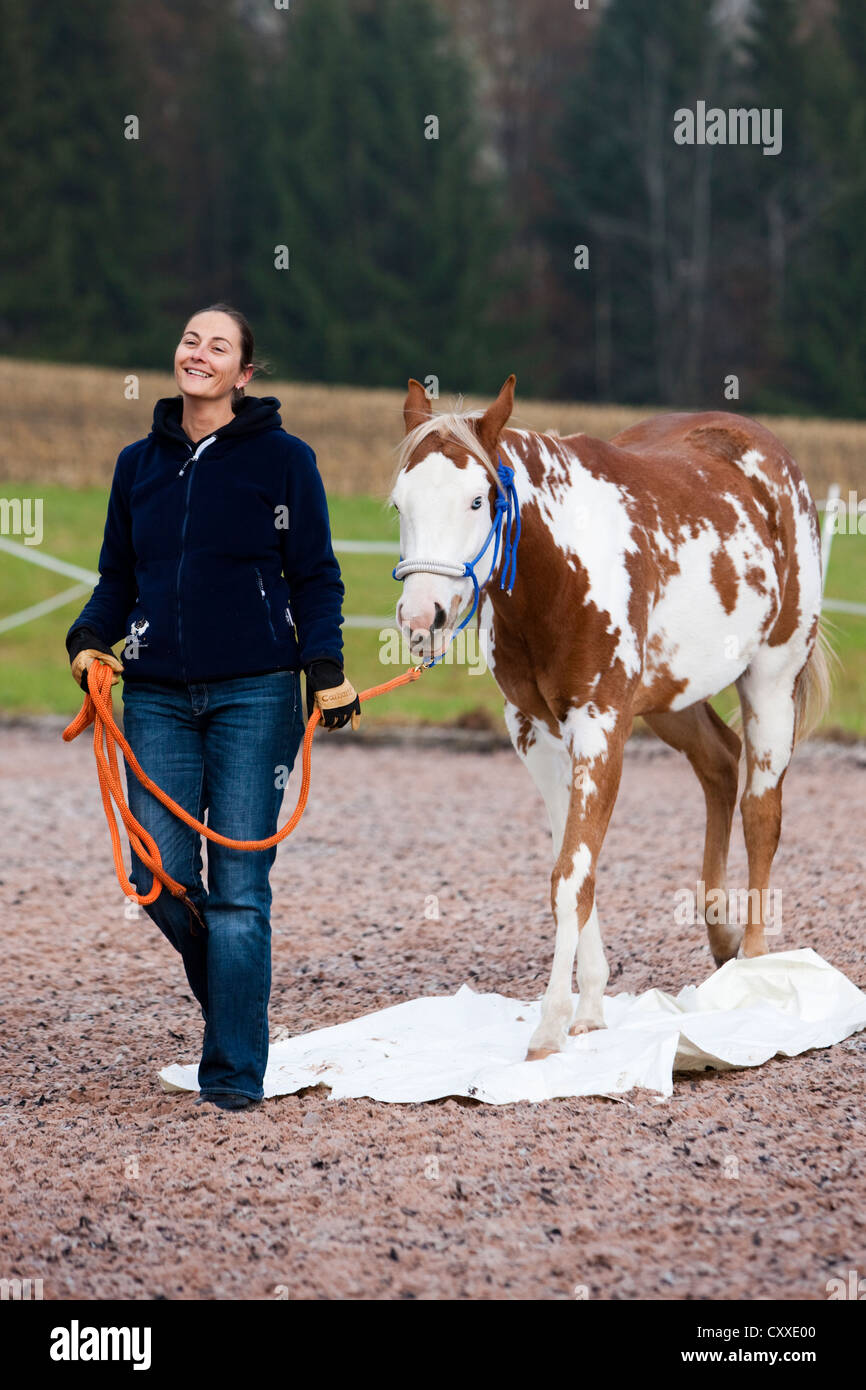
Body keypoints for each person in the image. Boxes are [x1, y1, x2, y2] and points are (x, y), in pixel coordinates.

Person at [65, 303, 360, 1111]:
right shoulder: (139, 464)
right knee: (152, 873)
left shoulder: (285, 461)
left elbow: (316, 576)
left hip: (255, 694)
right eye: (191, 340)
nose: (200, 352)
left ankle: (232, 1076)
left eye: (218, 345)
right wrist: (90, 640)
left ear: (244, 373)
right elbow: (118, 578)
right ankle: (239, 1001)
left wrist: (324, 668)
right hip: (154, 694)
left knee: (237, 890)